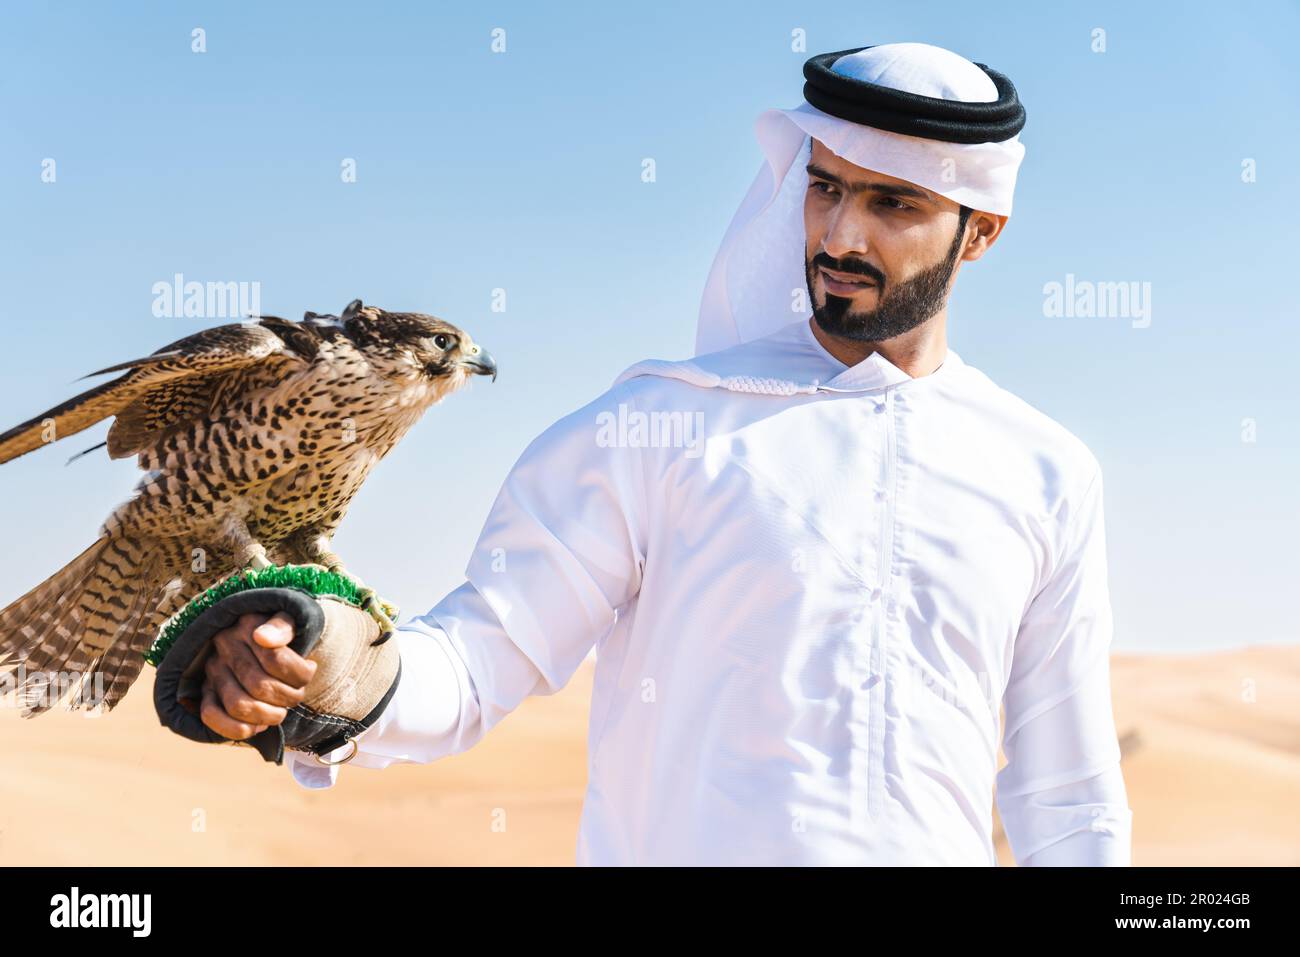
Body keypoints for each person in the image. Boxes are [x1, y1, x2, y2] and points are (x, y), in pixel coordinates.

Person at [196, 42, 1133, 866]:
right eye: (825, 188)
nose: (842, 234)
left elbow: (1068, 796)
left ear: (982, 231)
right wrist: (332, 669)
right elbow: (479, 659)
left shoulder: (1045, 472)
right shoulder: (656, 428)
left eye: (893, 203)